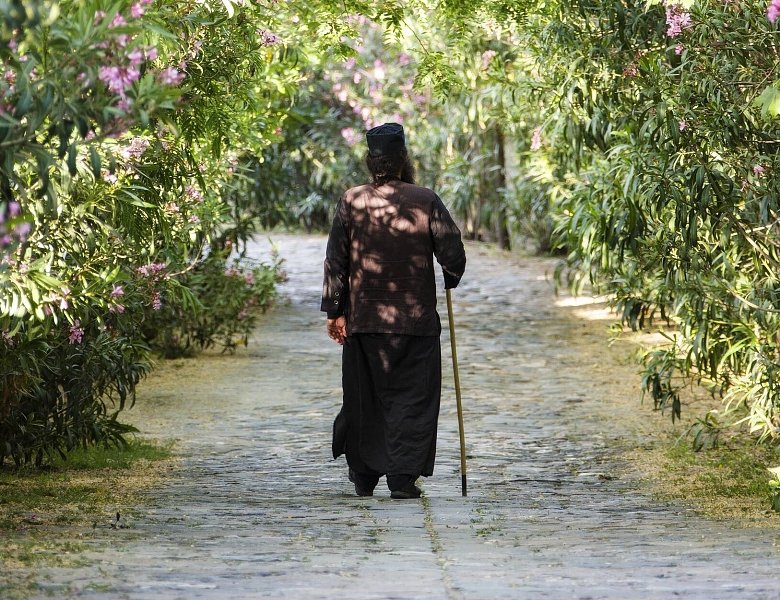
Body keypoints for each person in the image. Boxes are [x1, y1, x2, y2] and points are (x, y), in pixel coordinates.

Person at [321, 122, 466, 499]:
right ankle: (402, 478)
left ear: (370, 162)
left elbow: (335, 260)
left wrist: (334, 312)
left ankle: (364, 475)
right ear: (403, 160)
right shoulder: (425, 199)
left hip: (364, 321)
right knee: (413, 398)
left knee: (363, 396)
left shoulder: (352, 200)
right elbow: (452, 250)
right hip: (415, 322)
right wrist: (451, 274)